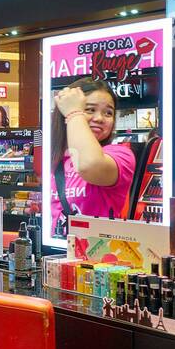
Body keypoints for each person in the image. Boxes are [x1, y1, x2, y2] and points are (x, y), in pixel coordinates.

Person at [49, 77, 136, 234]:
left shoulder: (121, 156)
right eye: (89, 109)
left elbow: (89, 165)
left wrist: (74, 113)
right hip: (54, 246)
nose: (99, 118)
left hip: (97, 249)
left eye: (108, 113)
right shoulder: (53, 158)